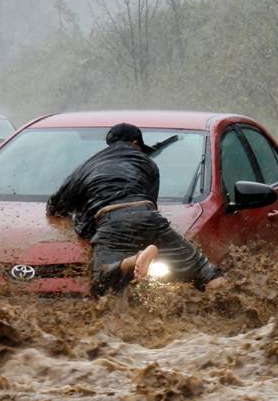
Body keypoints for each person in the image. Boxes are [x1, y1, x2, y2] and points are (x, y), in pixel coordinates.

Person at [46, 122, 224, 295]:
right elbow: (150, 205)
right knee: (205, 270)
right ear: (136, 143)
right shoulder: (148, 164)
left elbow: (55, 206)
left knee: (100, 283)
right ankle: (233, 303)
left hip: (111, 221)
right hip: (148, 216)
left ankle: (134, 260)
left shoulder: (86, 167)